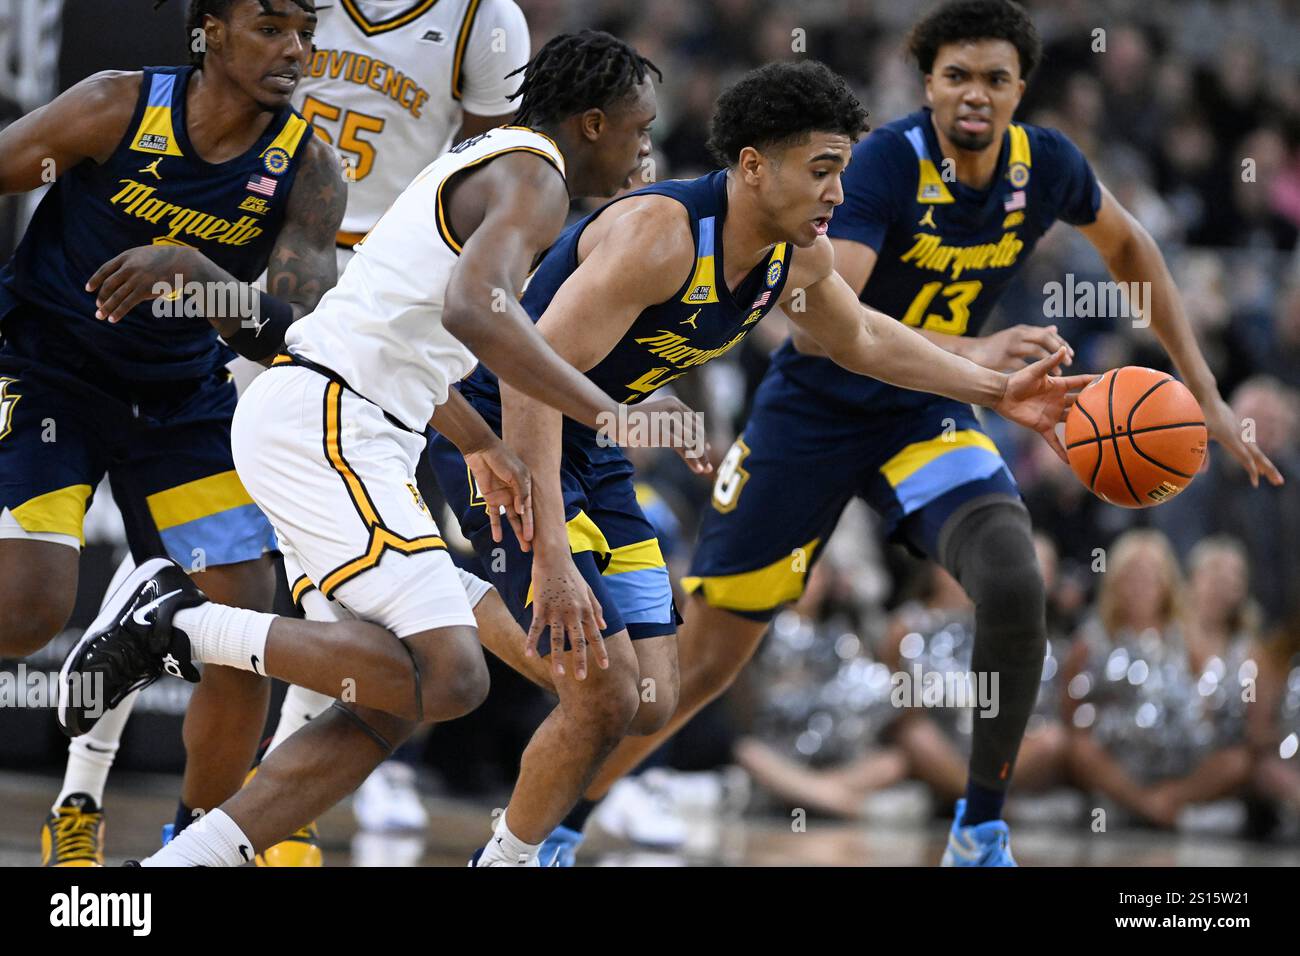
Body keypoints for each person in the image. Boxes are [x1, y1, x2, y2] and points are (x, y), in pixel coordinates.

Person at [559, 0, 1284, 867]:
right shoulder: (878, 169)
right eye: (956, 76)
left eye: (995, 78)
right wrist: (978, 350)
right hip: (814, 413)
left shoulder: (1045, 165)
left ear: (1022, 88)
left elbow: (1132, 252)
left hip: (928, 412)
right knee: (708, 661)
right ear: (927, 84)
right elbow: (841, 327)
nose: (975, 94)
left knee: (1014, 576)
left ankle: (979, 833)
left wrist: (1201, 389)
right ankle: (564, 818)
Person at [427, 57, 1090, 866]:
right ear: (752, 166)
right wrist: (556, 557)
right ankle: (496, 810)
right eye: (821, 171)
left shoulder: (791, 255)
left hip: (592, 456)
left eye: (841, 173)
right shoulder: (659, 236)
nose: (837, 196)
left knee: (649, 700)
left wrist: (995, 389)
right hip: (502, 443)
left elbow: (866, 338)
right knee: (596, 687)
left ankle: (449, 604)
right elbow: (525, 376)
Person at [57, 30, 688, 868]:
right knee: (454, 677)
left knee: (384, 702)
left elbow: (414, 338)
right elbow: (474, 312)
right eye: (641, 130)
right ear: (594, 123)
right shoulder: (535, 176)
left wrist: (481, 443)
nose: (647, 152)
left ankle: (178, 868)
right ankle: (177, 620)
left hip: (344, 424)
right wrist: (607, 412)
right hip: (332, 427)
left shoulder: (495, 162)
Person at [0, 0, 344, 866]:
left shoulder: (307, 166)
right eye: (271, 27)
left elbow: (291, 329)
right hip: (51, 371)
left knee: (246, 622)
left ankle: (198, 841)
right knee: (25, 611)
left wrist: (193, 276)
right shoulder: (116, 106)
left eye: (305, 29)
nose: (294, 48)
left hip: (179, 398)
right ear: (210, 33)